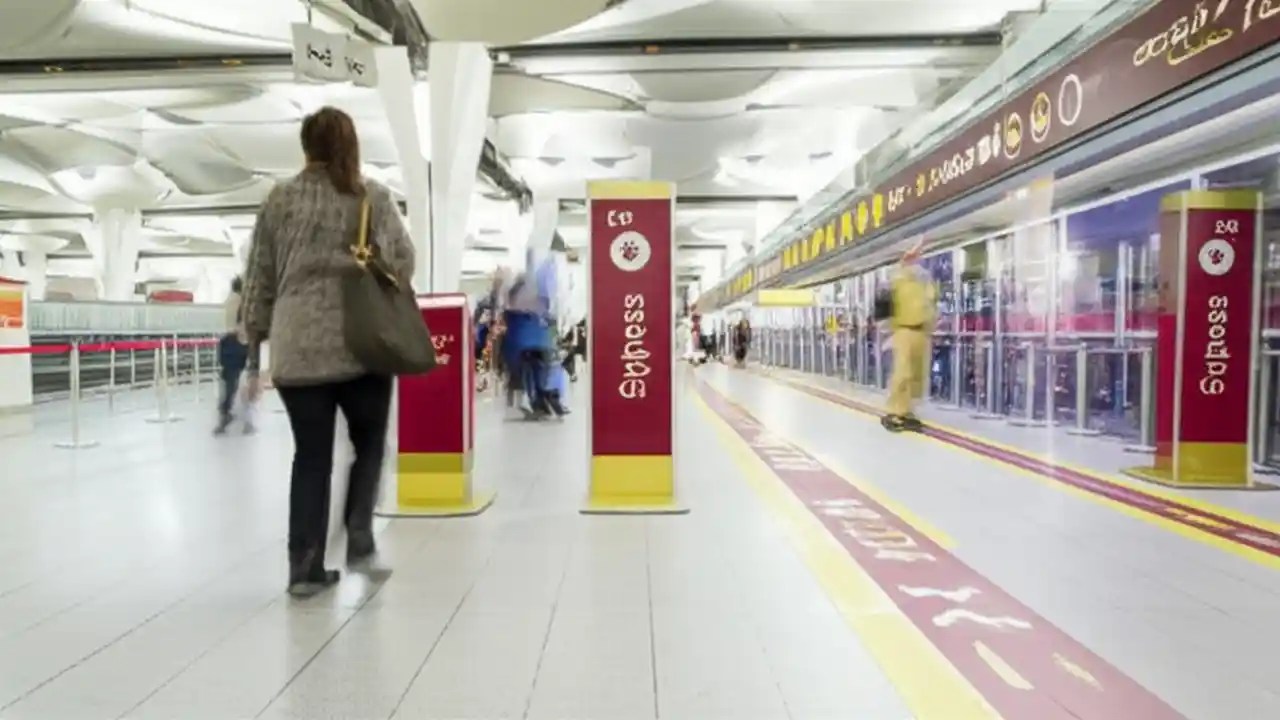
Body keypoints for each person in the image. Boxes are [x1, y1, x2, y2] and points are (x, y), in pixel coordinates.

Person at [240, 106, 413, 598]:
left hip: (297, 345)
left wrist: (254, 350)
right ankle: (358, 533)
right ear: (351, 146)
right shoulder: (371, 197)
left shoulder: (279, 200)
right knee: (370, 443)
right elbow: (404, 260)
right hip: (362, 342)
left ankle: (304, 568)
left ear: (306, 147)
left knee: (310, 458)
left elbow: (260, 278)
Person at [882, 241, 936, 432]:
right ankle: (893, 412)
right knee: (902, 373)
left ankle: (907, 411)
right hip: (903, 330)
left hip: (922, 332)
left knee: (917, 376)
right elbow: (884, 305)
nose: (914, 256)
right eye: (910, 253)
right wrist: (886, 331)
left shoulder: (923, 279)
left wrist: (931, 327)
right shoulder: (894, 279)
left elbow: (930, 303)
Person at [215, 276, 250, 435]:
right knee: (240, 380)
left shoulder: (228, 301)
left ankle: (225, 411)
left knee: (229, 378)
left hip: (225, 342)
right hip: (237, 342)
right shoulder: (241, 302)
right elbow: (243, 324)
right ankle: (232, 415)